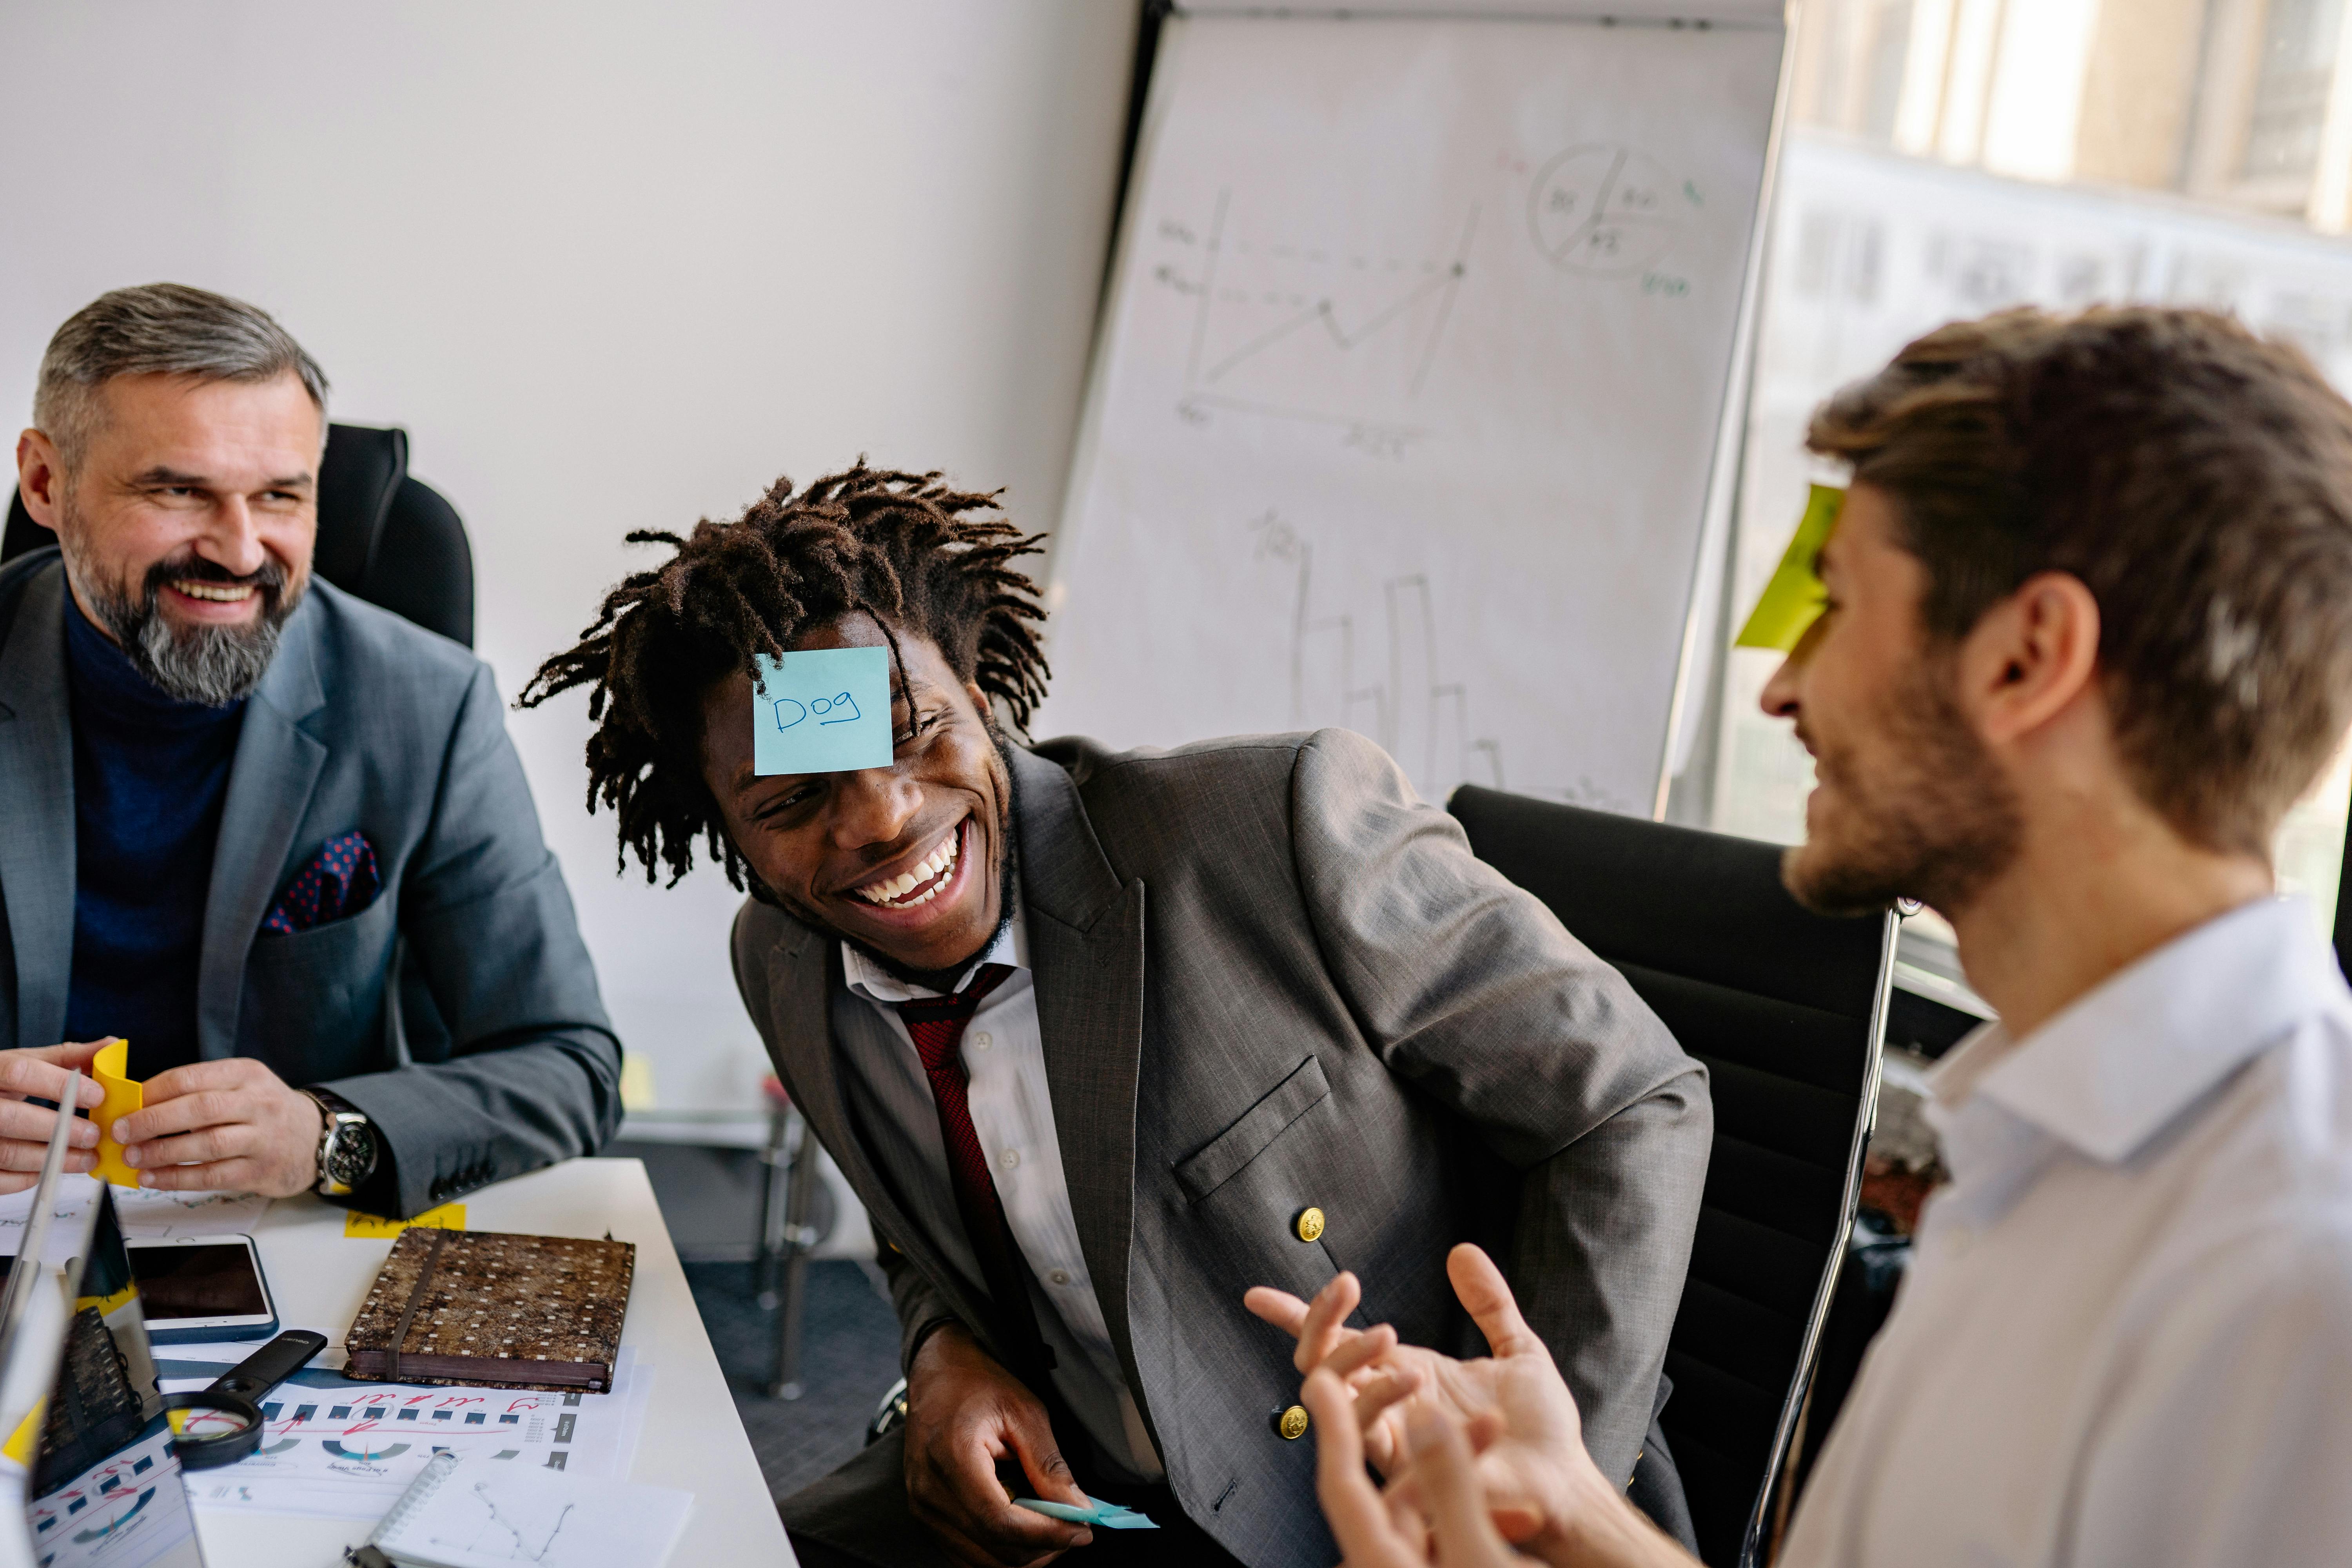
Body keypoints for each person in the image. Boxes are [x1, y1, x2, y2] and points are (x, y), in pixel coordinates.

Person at [1255, 305, 2352, 1568]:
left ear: (2026, 659)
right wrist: (1577, 1512)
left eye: (1837, 605)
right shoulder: (2045, 1150)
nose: (1784, 686)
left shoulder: (2291, 1287)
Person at [518, 464, 1713, 1568]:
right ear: (730, 840)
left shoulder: (1271, 828)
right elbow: (917, 1221)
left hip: (1383, 1512)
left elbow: (1627, 1103)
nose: (882, 817)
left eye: (916, 733)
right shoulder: (784, 963)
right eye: (792, 799)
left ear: (982, 696)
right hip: (1080, 1496)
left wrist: (1542, 1500)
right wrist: (943, 1350)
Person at [0, 283, 620, 1217]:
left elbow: (570, 1065)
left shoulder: (428, 704)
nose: (243, 551)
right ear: (46, 484)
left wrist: (325, 1135)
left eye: (280, 496)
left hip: (291, 1242)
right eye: (177, 490)